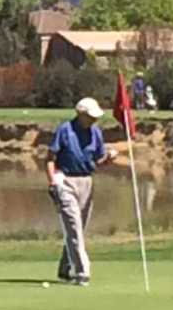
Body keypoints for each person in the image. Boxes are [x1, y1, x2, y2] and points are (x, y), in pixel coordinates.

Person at [42, 97, 118, 286]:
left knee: (78, 229)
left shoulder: (96, 133)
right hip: (65, 181)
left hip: (86, 182)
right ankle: (82, 272)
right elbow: (50, 158)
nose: (94, 121)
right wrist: (52, 182)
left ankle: (65, 266)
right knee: (73, 227)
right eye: (90, 117)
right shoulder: (65, 130)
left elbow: (97, 161)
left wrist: (108, 159)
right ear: (80, 114)